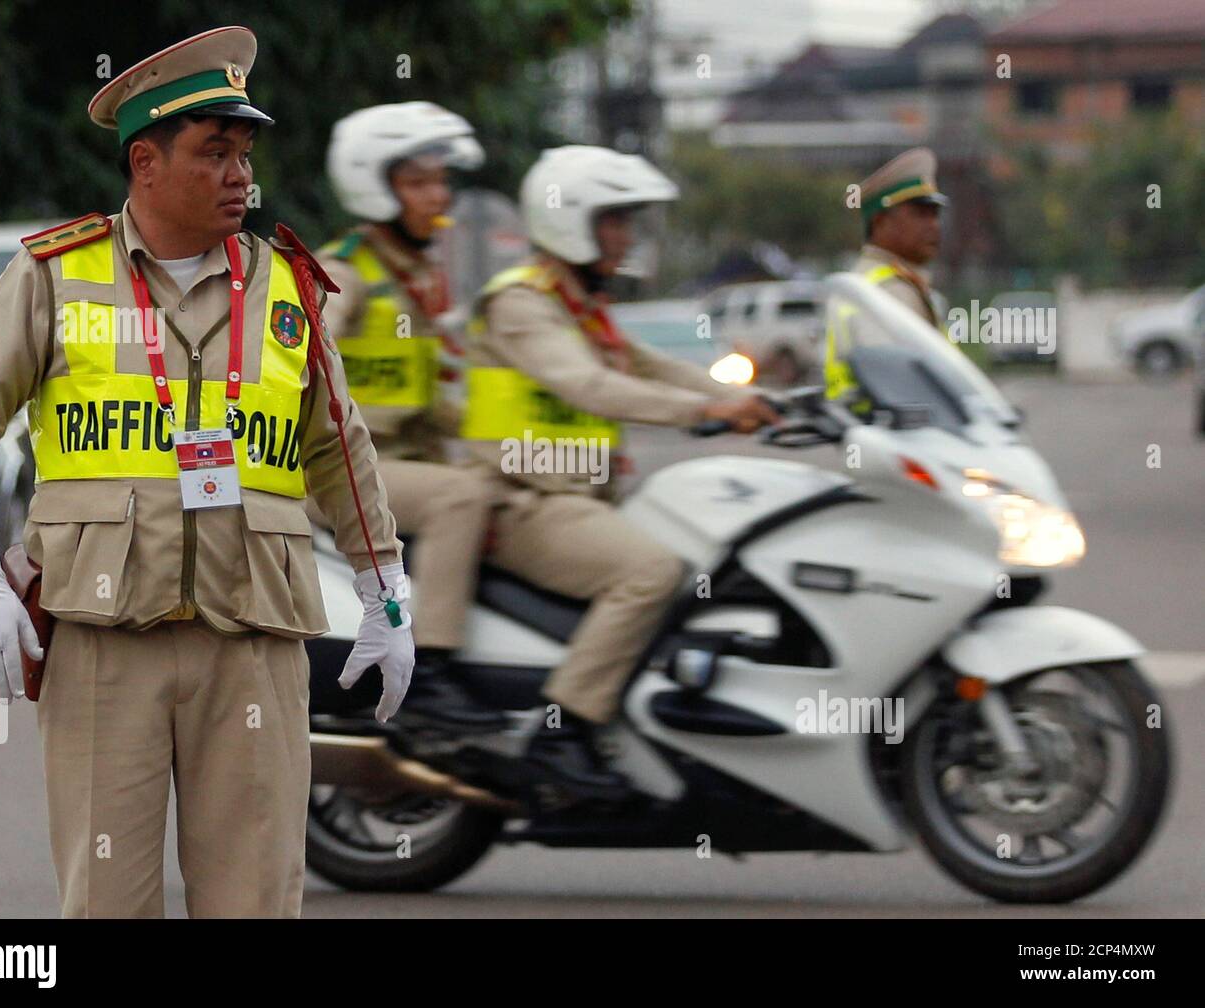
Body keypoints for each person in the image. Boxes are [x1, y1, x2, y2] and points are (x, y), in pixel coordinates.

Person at [0, 26, 413, 918]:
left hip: (254, 643)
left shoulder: (289, 288)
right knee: (105, 902)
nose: (241, 176)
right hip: (106, 643)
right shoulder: (54, 277)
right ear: (145, 163)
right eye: (214, 152)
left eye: (245, 153)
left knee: (255, 901)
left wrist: (385, 592)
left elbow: (338, 447)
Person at [463, 145, 777, 797]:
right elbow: (590, 386)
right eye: (615, 220)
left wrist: (765, 401)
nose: (626, 237)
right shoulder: (521, 305)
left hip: (581, 498)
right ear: (571, 220)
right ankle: (565, 730)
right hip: (523, 502)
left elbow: (654, 368)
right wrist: (705, 410)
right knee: (650, 572)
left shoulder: (578, 306)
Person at [316, 102, 501, 730]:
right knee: (461, 497)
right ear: (376, 187)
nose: (439, 196)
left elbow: (436, 398)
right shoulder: (344, 270)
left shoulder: (419, 277)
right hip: (342, 469)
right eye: (419, 182)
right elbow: (304, 352)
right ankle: (432, 674)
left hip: (399, 463)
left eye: (441, 181)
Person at [852, 146, 949, 326]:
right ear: (880, 221)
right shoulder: (886, 292)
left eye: (935, 215)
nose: (934, 225)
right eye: (920, 214)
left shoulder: (890, 282)